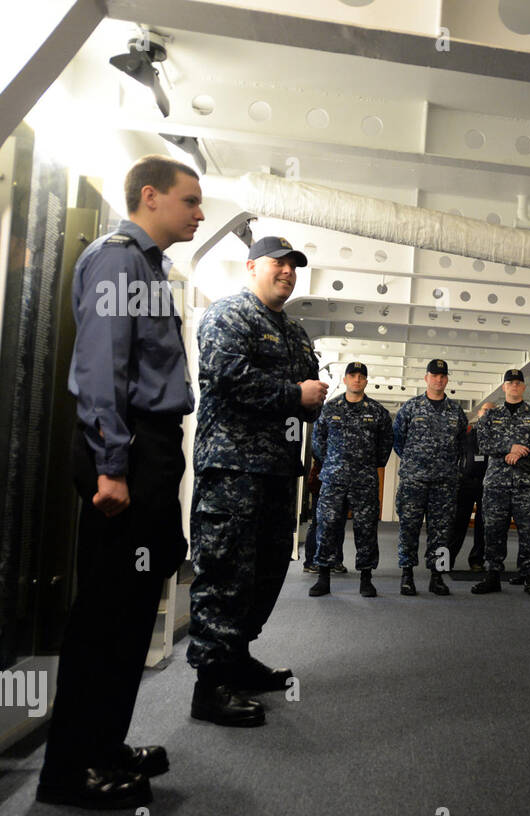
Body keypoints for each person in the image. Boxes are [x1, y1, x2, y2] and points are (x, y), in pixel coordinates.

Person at [37, 155, 202, 808]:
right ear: (151, 196)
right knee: (106, 616)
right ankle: (72, 769)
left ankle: (103, 746)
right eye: (190, 201)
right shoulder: (117, 259)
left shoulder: (149, 268)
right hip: (126, 448)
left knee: (133, 611)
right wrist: (110, 466)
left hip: (150, 450)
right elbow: (104, 369)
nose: (198, 213)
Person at [187, 236, 325, 727]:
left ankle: (238, 659)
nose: (287, 272)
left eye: (293, 267)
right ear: (251, 267)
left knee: (266, 572)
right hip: (232, 470)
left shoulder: (295, 333)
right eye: (278, 264)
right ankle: (210, 685)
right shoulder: (230, 314)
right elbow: (229, 377)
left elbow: (312, 395)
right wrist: (295, 393)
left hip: (276, 473)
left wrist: (307, 396)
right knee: (225, 574)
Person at [308, 362, 393, 598]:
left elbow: (386, 443)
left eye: (361, 376)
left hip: (364, 481)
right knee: (327, 528)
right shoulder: (329, 408)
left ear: (366, 381)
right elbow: (318, 442)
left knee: (366, 530)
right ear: (345, 379)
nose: (357, 379)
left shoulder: (377, 412)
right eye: (352, 375)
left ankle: (366, 578)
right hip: (333, 480)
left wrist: (370, 464)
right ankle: (323, 577)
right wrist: (333, 463)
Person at [392, 359, 467, 596]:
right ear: (426, 378)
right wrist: (415, 462)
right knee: (409, 528)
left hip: (444, 482)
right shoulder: (411, 407)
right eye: (434, 375)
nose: (439, 379)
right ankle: (407, 575)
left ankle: (438, 576)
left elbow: (460, 444)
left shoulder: (456, 411)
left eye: (443, 376)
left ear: (447, 379)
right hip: (414, 480)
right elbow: (398, 440)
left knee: (442, 532)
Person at [472, 370, 530, 595]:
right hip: (497, 484)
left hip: (528, 485)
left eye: (518, 383)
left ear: (523, 387)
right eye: (510, 383)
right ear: (503, 387)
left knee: (529, 532)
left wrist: (520, 452)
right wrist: (509, 447)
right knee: (493, 531)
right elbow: (482, 444)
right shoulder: (491, 416)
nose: (514, 386)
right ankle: (492, 575)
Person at [449, 403, 492, 571]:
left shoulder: (498, 435)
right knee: (457, 524)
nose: (488, 413)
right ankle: (447, 561)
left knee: (483, 526)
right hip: (465, 484)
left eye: (491, 411)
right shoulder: (467, 435)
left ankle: (476, 561)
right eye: (485, 410)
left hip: (487, 485)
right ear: (479, 413)